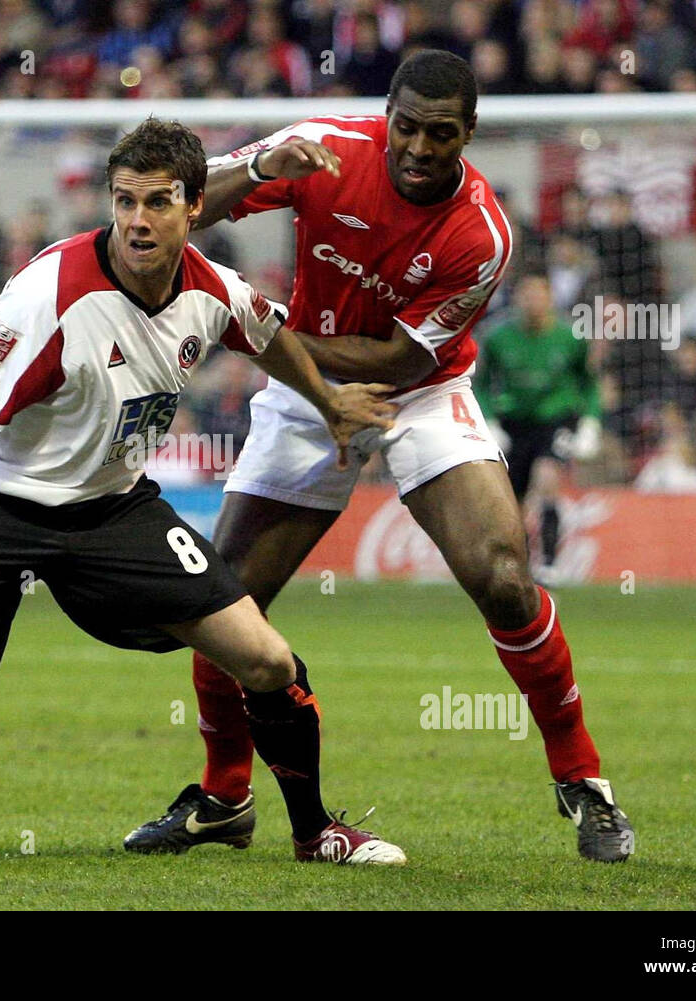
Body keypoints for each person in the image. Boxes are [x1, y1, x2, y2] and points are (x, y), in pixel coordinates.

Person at [0, 117, 405, 865]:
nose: (138, 219)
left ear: (195, 206)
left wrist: (330, 405)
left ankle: (314, 830)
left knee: (264, 659)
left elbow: (268, 337)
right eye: (125, 200)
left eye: (158, 202)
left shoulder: (213, 290)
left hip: (109, 507)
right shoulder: (50, 294)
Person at [123, 50, 635, 863]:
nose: (420, 148)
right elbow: (179, 202)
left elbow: (398, 361)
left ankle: (582, 776)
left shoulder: (483, 234)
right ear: (386, 115)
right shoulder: (324, 147)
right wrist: (260, 163)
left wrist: (273, 338)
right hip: (304, 395)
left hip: (418, 395)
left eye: (441, 134)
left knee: (503, 574)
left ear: (468, 133)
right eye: (407, 127)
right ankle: (224, 795)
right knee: (220, 603)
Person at [476, 272, 601, 579]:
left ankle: (549, 563)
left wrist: (591, 422)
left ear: (550, 298)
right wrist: (489, 418)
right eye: (526, 294)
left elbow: (589, 384)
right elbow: (479, 383)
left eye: (539, 294)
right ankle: (520, 563)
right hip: (513, 421)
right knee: (513, 496)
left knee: (547, 480)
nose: (532, 301)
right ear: (516, 298)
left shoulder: (570, 338)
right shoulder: (496, 337)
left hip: (555, 419)